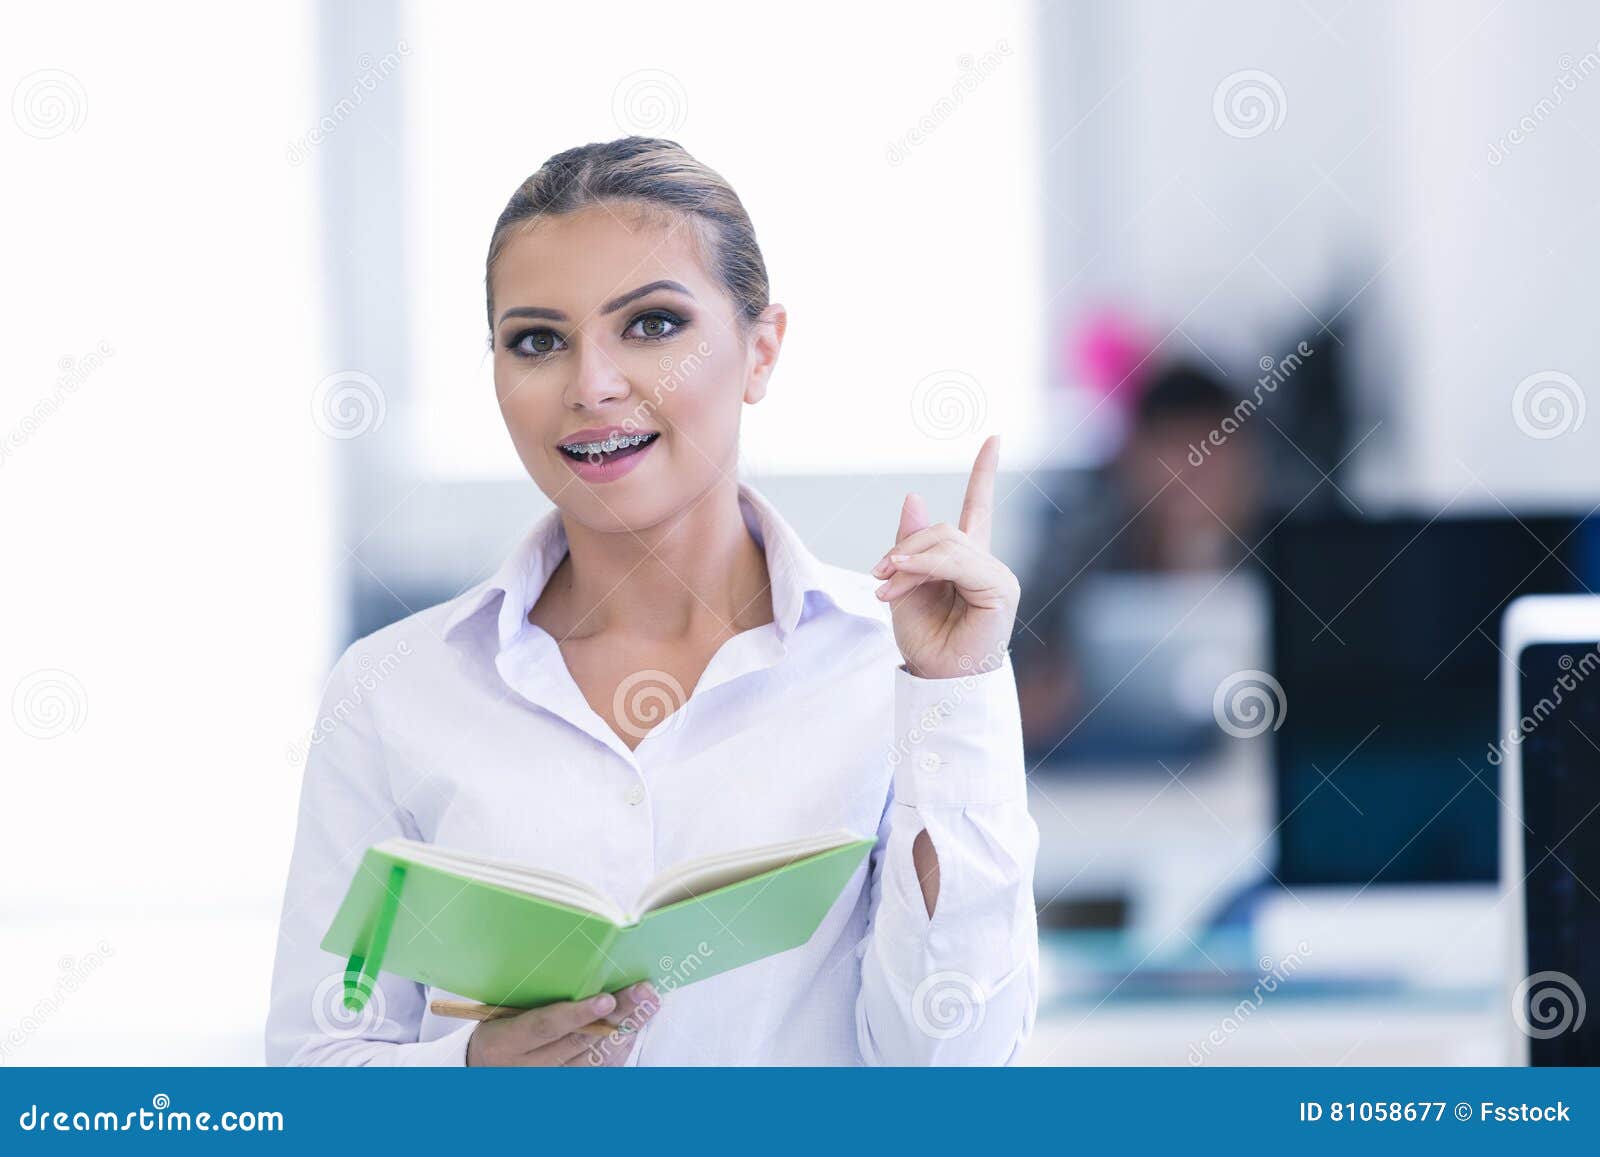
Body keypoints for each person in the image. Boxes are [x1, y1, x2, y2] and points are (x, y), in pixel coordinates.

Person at [265, 137, 1040, 1066]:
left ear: (762, 351)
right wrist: (464, 1078)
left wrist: (954, 694)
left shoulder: (894, 669)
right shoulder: (391, 689)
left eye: (651, 325)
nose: (592, 384)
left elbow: (951, 1068)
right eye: (538, 341)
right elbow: (316, 1069)